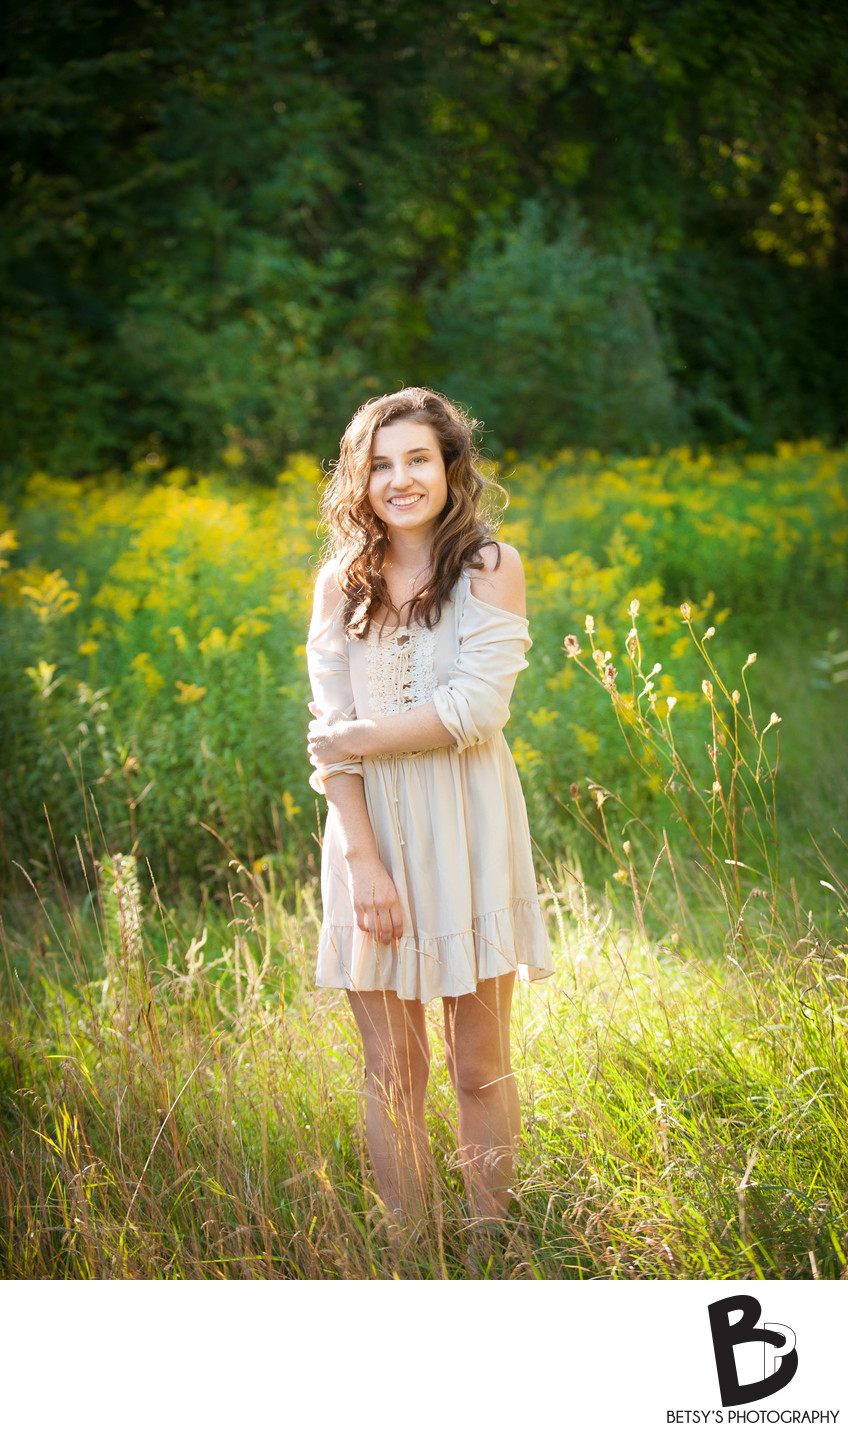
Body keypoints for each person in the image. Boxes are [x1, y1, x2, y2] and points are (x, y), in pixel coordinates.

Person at [306, 387, 553, 1233]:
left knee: (477, 1061)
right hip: (366, 835)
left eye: (418, 458)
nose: (400, 478)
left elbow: (474, 711)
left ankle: (490, 1235)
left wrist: (360, 737)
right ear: (357, 477)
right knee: (392, 1066)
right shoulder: (340, 582)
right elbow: (322, 740)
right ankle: (408, 1241)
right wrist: (363, 862)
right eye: (379, 463)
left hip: (470, 829)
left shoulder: (491, 566)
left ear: (451, 467)